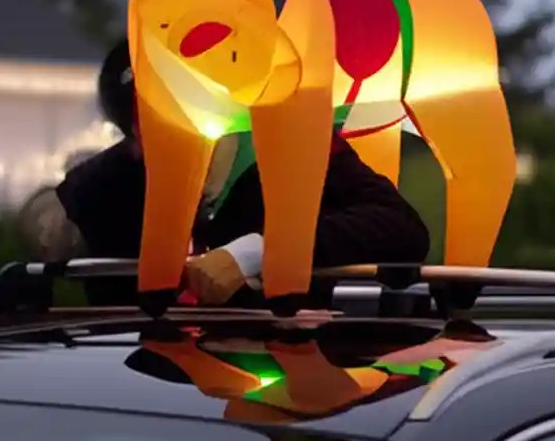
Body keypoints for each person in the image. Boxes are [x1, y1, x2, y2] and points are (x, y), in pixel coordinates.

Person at [42, 39, 430, 307]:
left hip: (287, 377)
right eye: (149, 137)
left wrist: (258, 252)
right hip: (147, 390)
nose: (167, 149)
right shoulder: (111, 179)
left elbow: (401, 228)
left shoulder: (288, 148)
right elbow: (49, 221)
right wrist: (52, 229)